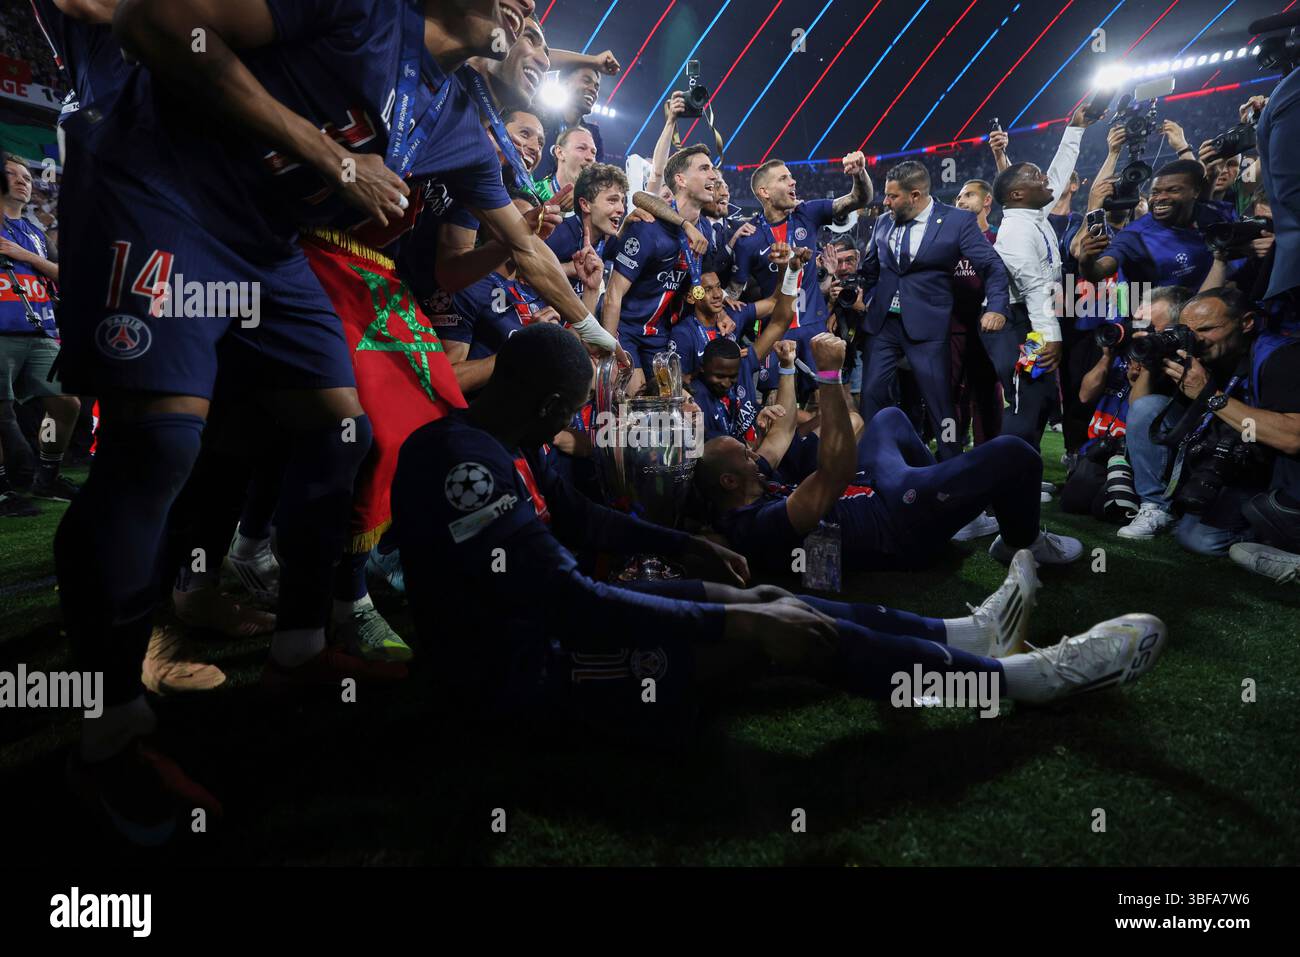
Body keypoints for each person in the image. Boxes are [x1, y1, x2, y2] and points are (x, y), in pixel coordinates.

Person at [50, 0, 553, 843]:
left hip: (266, 242)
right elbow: (158, 24)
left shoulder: (461, 115)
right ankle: (109, 731)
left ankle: (296, 648)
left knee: (339, 430)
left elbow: (520, 235)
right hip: (161, 187)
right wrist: (329, 154)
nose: (522, 12)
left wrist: (584, 329)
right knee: (159, 442)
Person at [393, 323, 1166, 745]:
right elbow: (572, 603)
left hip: (553, 628)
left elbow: (579, 519)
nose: (572, 422)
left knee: (775, 600)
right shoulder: (463, 467)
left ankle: (960, 629)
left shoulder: (505, 440)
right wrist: (739, 618)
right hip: (523, 677)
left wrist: (685, 549)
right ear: (547, 401)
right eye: (571, 407)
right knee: (781, 632)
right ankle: (1021, 683)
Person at [698, 333, 1083, 573]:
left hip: (879, 489)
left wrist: (785, 368)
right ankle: (1021, 541)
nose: (754, 454)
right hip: (896, 523)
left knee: (889, 419)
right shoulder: (757, 522)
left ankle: (948, 507)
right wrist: (829, 376)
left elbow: (779, 434)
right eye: (745, 456)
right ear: (728, 481)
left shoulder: (753, 480)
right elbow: (834, 473)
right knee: (1015, 453)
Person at [1123, 288, 1300, 554]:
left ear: (1246, 322)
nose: (1197, 339)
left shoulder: (1281, 356)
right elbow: (1139, 410)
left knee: (1201, 539)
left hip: (1274, 466)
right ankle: (1156, 507)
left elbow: (1293, 438)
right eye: (1188, 331)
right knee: (1149, 407)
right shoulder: (1193, 354)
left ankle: (1273, 534)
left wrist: (1209, 394)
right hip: (1228, 456)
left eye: (1206, 329)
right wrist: (1150, 363)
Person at [859, 160, 1010, 461]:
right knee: (872, 395)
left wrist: (996, 307)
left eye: (893, 196)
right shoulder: (884, 221)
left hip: (928, 328)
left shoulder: (956, 221)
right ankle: (874, 463)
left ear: (915, 195)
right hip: (883, 324)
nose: (886, 202)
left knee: (942, 406)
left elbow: (992, 266)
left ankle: (951, 462)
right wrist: (861, 291)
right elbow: (871, 269)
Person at [989, 106, 1099, 451]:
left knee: (1042, 396)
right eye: (1035, 176)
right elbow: (1035, 290)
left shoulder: (1032, 214)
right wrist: (1051, 338)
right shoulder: (1017, 230)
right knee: (1028, 397)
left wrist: (1075, 128)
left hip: (1028, 318)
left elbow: (1059, 170)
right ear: (1017, 194)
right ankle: (1000, 484)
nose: (1046, 180)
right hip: (1017, 321)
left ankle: (1025, 471)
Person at [729, 152, 872, 369]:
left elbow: (858, 199)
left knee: (822, 397)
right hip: (775, 332)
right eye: (783, 178)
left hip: (815, 327)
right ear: (764, 192)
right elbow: (734, 294)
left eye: (791, 176)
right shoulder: (749, 238)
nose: (793, 181)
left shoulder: (808, 213)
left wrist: (859, 174)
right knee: (776, 400)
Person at [0, 156, 80, 512]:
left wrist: (26, 256)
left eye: (27, 176)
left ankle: (47, 476)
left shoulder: (33, 231)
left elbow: (66, 275)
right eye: (13, 175)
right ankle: (5, 488)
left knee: (66, 403)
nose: (23, 181)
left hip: (40, 330)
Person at [603, 144, 717, 389]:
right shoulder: (647, 227)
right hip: (627, 329)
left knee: (670, 405)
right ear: (681, 179)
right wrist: (609, 350)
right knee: (632, 402)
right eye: (704, 168)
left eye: (713, 169)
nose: (714, 175)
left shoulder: (705, 229)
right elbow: (613, 295)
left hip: (661, 335)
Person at [1076, 159, 1233, 290]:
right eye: (1155, 192)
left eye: (1172, 190)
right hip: (1158, 321)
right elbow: (1098, 271)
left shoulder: (1214, 215)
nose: (1160, 198)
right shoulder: (1135, 235)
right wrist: (1086, 263)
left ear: (1195, 192)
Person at [950, 178, 1003, 448]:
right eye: (958, 197)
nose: (960, 200)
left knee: (986, 394)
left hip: (987, 330)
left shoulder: (1000, 238)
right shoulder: (948, 241)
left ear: (986, 201)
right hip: (953, 327)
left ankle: (988, 453)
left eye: (968, 195)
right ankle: (952, 448)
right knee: (951, 393)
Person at [545, 161, 626, 295]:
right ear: (585, 205)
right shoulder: (559, 234)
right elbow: (519, 271)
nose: (621, 209)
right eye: (612, 200)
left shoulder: (609, 241)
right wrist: (566, 268)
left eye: (622, 201)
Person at [533, 58, 617, 183]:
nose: (593, 89)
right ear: (564, 82)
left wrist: (577, 192)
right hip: (524, 197)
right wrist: (594, 60)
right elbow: (535, 60)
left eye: (596, 87)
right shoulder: (541, 115)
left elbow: (596, 181)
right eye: (586, 80)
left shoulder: (593, 136)